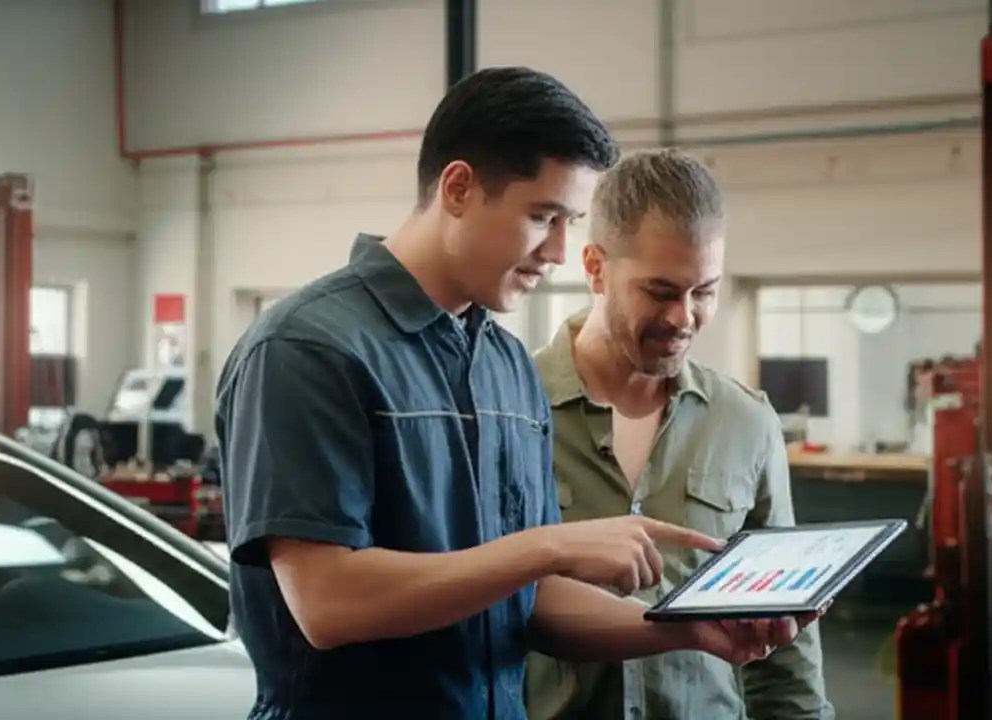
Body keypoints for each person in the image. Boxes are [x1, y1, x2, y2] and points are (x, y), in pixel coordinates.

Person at [215, 67, 813, 720]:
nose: (559, 251)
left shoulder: (504, 366)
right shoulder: (309, 350)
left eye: (570, 222)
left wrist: (681, 630)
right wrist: (549, 546)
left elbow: (526, 603)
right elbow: (328, 603)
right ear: (460, 187)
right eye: (543, 217)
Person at [524, 149, 835, 719]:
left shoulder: (746, 422)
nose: (684, 318)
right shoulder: (513, 407)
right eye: (661, 292)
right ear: (594, 266)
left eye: (706, 291)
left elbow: (787, 655)